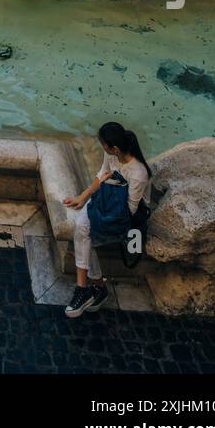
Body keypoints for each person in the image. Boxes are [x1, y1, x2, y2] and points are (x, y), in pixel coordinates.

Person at [63, 121, 152, 319]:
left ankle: (91, 289)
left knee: (86, 236)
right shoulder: (111, 153)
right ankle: (88, 288)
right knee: (80, 226)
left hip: (122, 215)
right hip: (106, 200)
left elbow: (129, 210)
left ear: (115, 148)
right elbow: (101, 174)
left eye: (104, 145)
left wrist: (107, 189)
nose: (102, 148)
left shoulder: (138, 173)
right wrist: (83, 196)